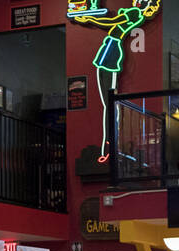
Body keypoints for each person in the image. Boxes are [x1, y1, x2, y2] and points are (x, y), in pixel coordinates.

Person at [70, 0, 163, 163]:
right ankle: (109, 144)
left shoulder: (135, 13)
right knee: (108, 104)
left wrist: (89, 19)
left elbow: (111, 22)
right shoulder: (134, 13)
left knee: (110, 103)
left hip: (112, 52)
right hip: (109, 51)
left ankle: (110, 144)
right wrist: (88, 18)